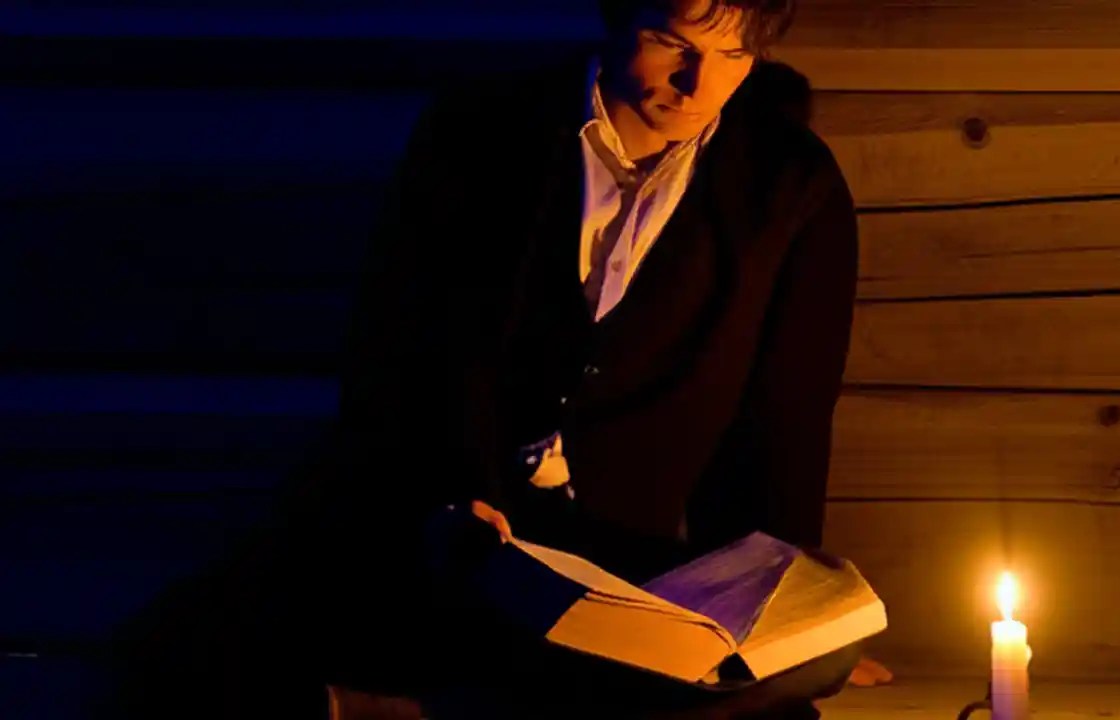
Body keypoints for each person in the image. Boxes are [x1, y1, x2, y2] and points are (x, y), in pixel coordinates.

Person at [101, 0, 888, 717]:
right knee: (177, 661)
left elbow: (785, 417)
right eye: (669, 44)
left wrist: (788, 617)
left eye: (731, 57)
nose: (695, 82)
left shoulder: (792, 183)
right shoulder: (481, 129)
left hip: (625, 562)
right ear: (617, 19)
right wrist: (450, 498)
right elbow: (393, 345)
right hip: (439, 521)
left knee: (763, 687)